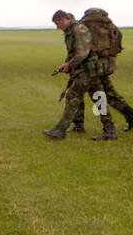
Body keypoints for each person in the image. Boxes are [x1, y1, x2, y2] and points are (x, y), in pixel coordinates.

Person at [43, 10, 118, 140]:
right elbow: (74, 52)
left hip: (87, 70)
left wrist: (69, 65)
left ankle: (60, 130)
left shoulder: (79, 29)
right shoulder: (72, 30)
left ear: (62, 19)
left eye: (57, 23)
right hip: (89, 70)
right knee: (99, 98)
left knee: (73, 95)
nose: (57, 27)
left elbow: (82, 53)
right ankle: (109, 130)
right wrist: (66, 64)